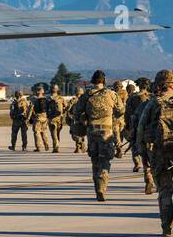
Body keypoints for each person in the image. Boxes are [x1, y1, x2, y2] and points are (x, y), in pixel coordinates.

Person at [136, 70, 173, 236]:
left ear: (159, 85)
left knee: (164, 189)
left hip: (160, 152)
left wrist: (142, 153)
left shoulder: (153, 103)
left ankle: (167, 226)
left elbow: (141, 129)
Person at [71, 71, 123, 201]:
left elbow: (76, 112)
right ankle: (102, 187)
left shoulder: (87, 95)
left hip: (92, 132)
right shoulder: (112, 94)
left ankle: (97, 188)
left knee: (95, 161)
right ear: (104, 81)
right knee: (105, 161)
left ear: (93, 81)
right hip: (106, 132)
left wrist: (84, 118)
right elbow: (121, 110)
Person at [28, 85, 51, 152]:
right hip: (45, 117)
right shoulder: (46, 99)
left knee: (37, 132)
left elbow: (30, 109)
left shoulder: (34, 99)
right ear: (42, 91)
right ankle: (46, 143)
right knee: (44, 131)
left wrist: (28, 118)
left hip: (37, 117)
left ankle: (38, 147)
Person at [44, 87, 65, 153]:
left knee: (53, 133)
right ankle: (57, 145)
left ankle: (56, 146)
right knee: (58, 132)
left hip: (51, 118)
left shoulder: (48, 99)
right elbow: (65, 107)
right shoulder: (61, 98)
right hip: (59, 118)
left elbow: (45, 108)